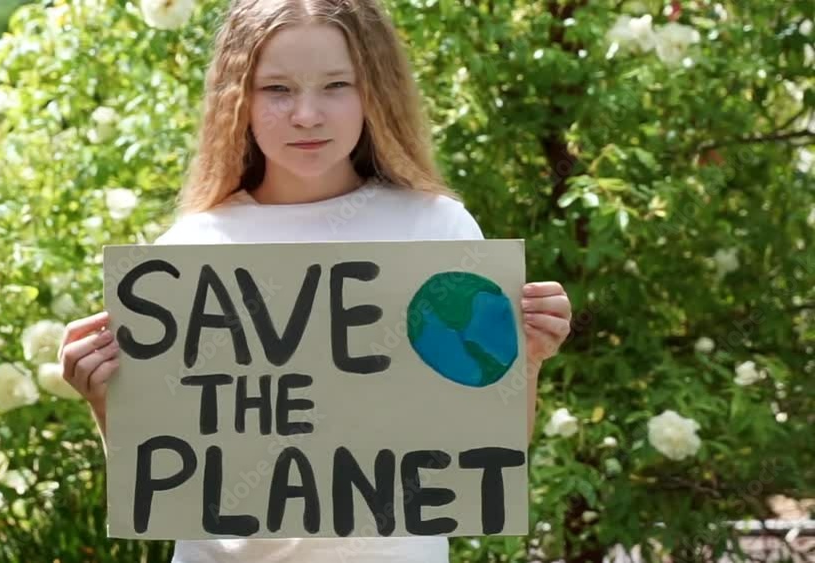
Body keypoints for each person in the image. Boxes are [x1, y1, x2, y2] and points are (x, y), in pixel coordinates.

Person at [57, 0, 572, 561]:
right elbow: (166, 479)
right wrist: (105, 398)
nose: (307, 114)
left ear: (375, 89)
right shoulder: (189, 254)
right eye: (277, 89)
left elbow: (481, 447)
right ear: (238, 98)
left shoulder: (436, 230)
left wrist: (526, 361)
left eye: (336, 85)